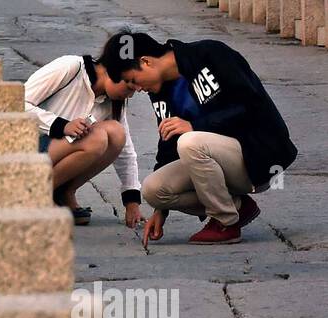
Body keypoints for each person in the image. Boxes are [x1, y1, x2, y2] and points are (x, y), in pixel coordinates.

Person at [100, 31, 297, 246]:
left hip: (258, 154)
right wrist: (161, 210)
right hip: (212, 159)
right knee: (153, 189)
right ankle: (237, 206)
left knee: (189, 141)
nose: (137, 89)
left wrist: (195, 126)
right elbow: (167, 144)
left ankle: (226, 222)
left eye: (133, 80)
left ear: (145, 62)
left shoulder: (210, 54)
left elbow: (250, 106)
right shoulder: (159, 91)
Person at [24, 51, 142, 227]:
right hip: (25, 148)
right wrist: (61, 125)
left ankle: (62, 192)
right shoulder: (71, 67)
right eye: (129, 86)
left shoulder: (111, 101)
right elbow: (16, 103)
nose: (130, 95)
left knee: (117, 133)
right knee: (97, 138)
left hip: (50, 153)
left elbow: (126, 150)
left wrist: (131, 201)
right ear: (113, 71)